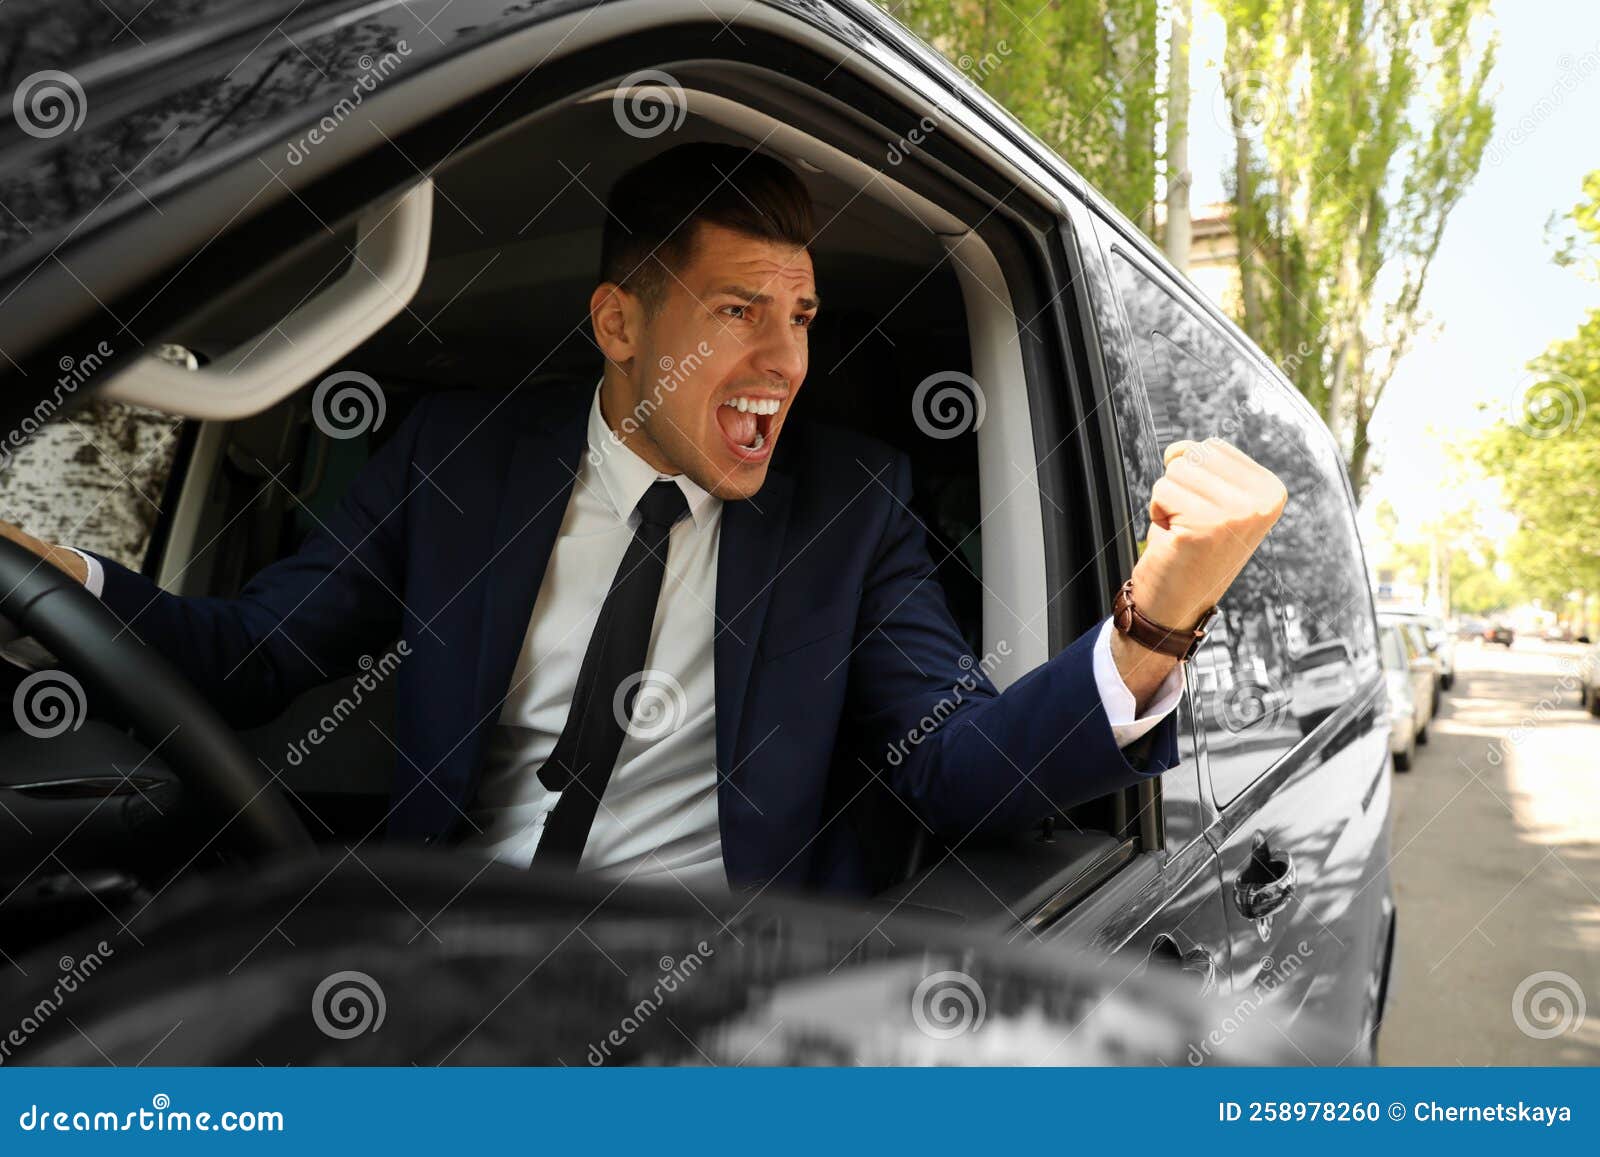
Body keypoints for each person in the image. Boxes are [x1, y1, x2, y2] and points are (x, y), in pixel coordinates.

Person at [0, 143, 1286, 895]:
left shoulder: (850, 505)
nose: (785, 361)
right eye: (738, 311)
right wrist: (46, 575)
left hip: (705, 994)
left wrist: (1157, 618)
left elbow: (957, 765)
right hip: (442, 961)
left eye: (801, 317)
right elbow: (248, 656)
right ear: (620, 324)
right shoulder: (456, 457)